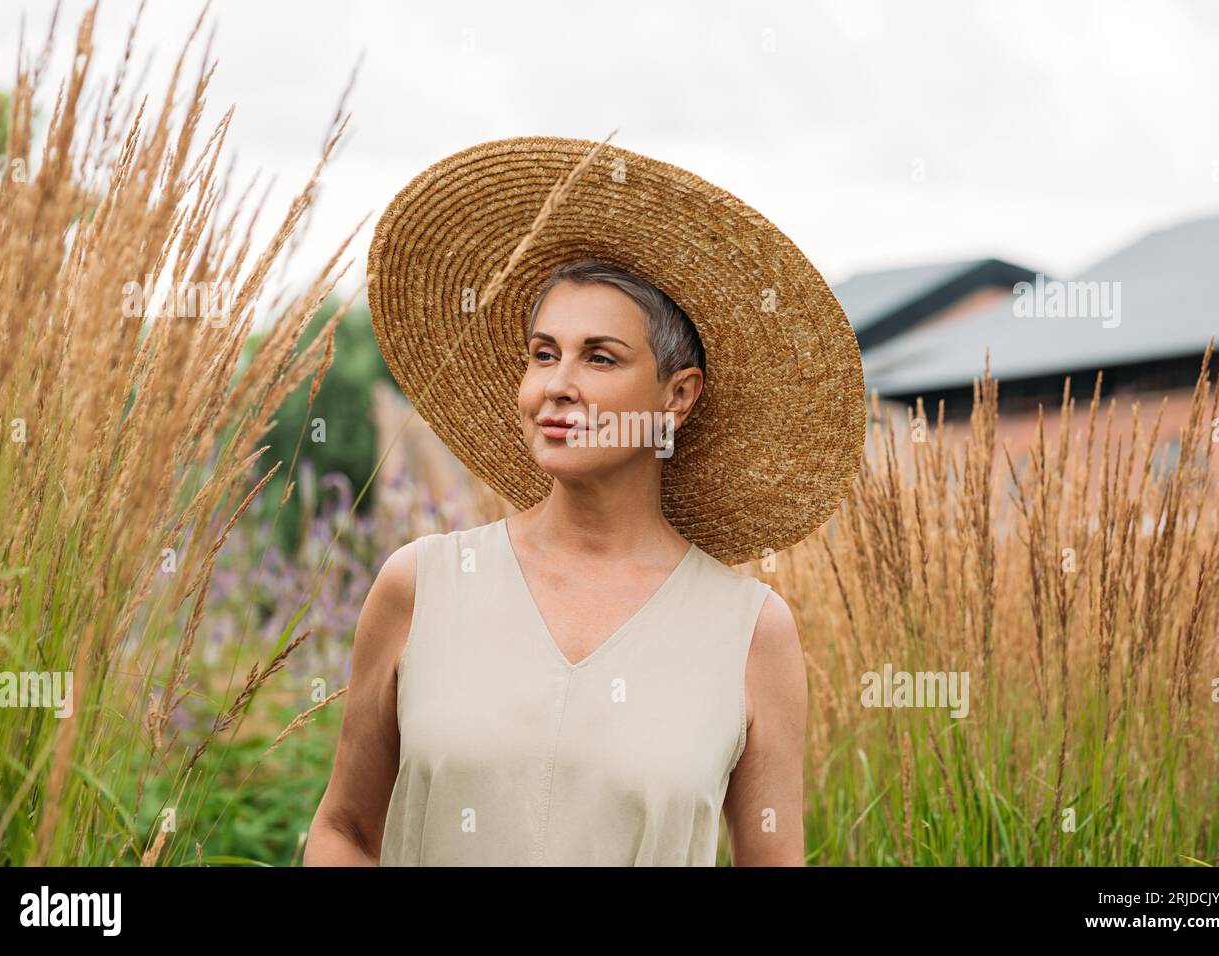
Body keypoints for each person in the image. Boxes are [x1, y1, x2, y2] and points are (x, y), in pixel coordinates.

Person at [305, 137, 865, 866]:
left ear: (677, 396)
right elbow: (344, 831)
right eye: (543, 354)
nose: (555, 385)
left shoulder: (750, 632)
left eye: (600, 357)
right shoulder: (422, 586)